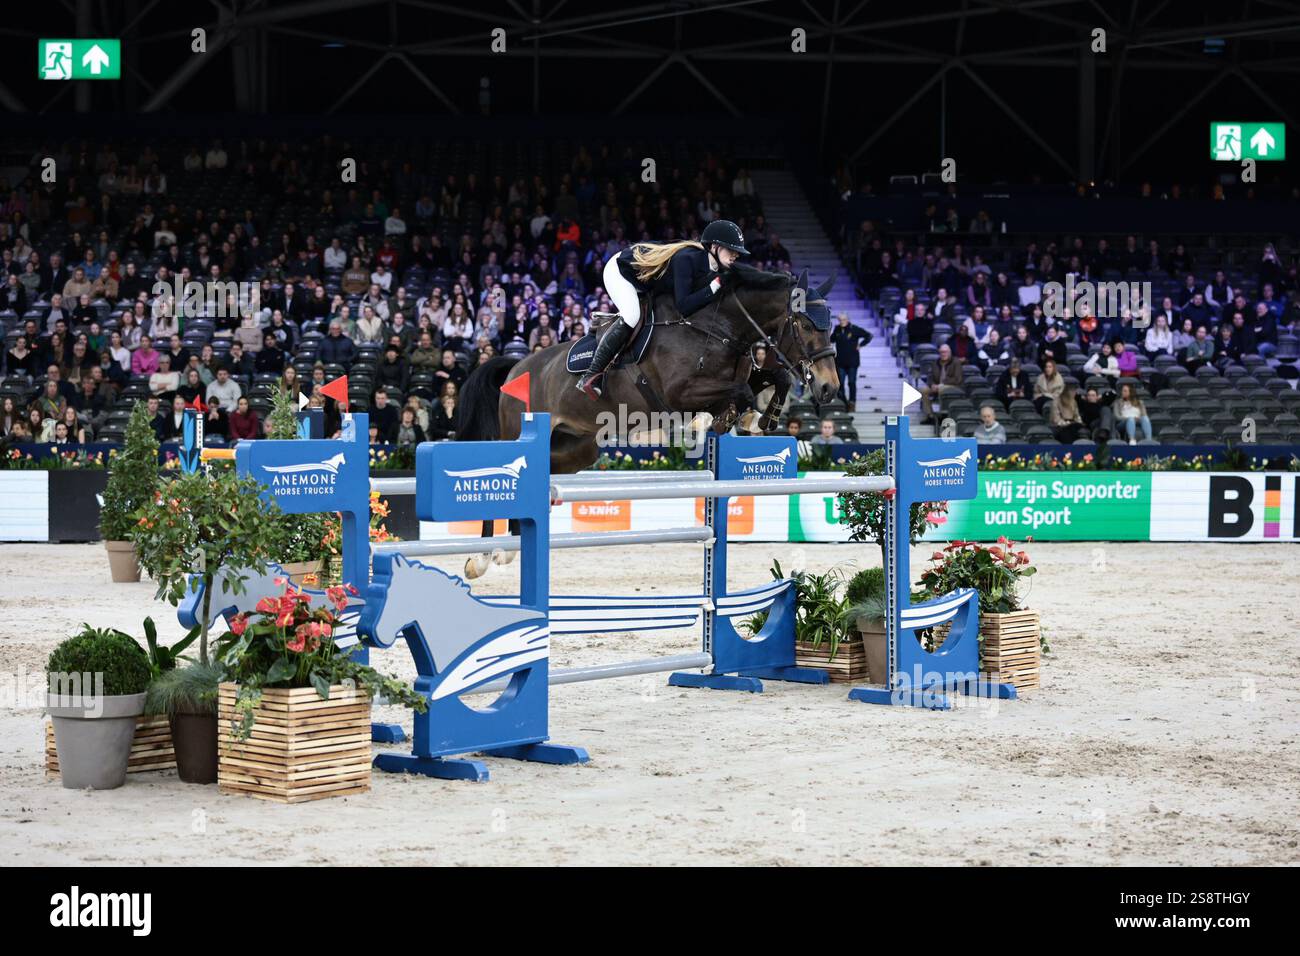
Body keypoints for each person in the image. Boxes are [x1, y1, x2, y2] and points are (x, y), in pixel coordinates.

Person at [577, 220, 749, 398]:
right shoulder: (687, 259)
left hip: (646, 282)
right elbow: (684, 306)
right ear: (715, 247)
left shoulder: (712, 266)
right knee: (632, 315)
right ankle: (591, 374)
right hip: (621, 272)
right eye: (732, 250)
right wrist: (714, 287)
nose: (736, 255)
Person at [830, 313, 871, 410]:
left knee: (851, 382)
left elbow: (869, 336)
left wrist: (861, 345)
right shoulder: (837, 329)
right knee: (840, 384)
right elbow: (831, 340)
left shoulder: (854, 329)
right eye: (840, 320)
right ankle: (843, 403)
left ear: (847, 319)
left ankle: (852, 403)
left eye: (843, 320)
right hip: (840, 362)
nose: (842, 322)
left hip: (853, 362)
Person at [921, 343, 963, 419]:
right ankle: (930, 415)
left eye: (945, 352)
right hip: (937, 386)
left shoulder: (956, 362)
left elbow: (957, 379)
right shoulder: (935, 363)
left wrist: (942, 384)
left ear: (950, 353)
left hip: (953, 387)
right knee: (923, 390)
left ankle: (942, 415)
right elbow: (930, 377)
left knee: (941, 389)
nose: (943, 354)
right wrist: (932, 385)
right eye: (942, 352)